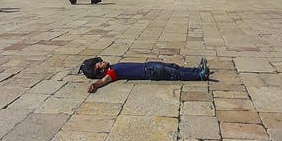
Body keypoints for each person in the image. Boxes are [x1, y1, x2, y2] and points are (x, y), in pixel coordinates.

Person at [79, 56, 210, 93]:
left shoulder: (112, 67)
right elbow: (103, 81)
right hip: (150, 71)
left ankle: (196, 70)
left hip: (148, 65)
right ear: (100, 71)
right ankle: (200, 75)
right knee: (175, 74)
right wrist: (94, 85)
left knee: (174, 67)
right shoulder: (111, 73)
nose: (101, 62)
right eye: (99, 64)